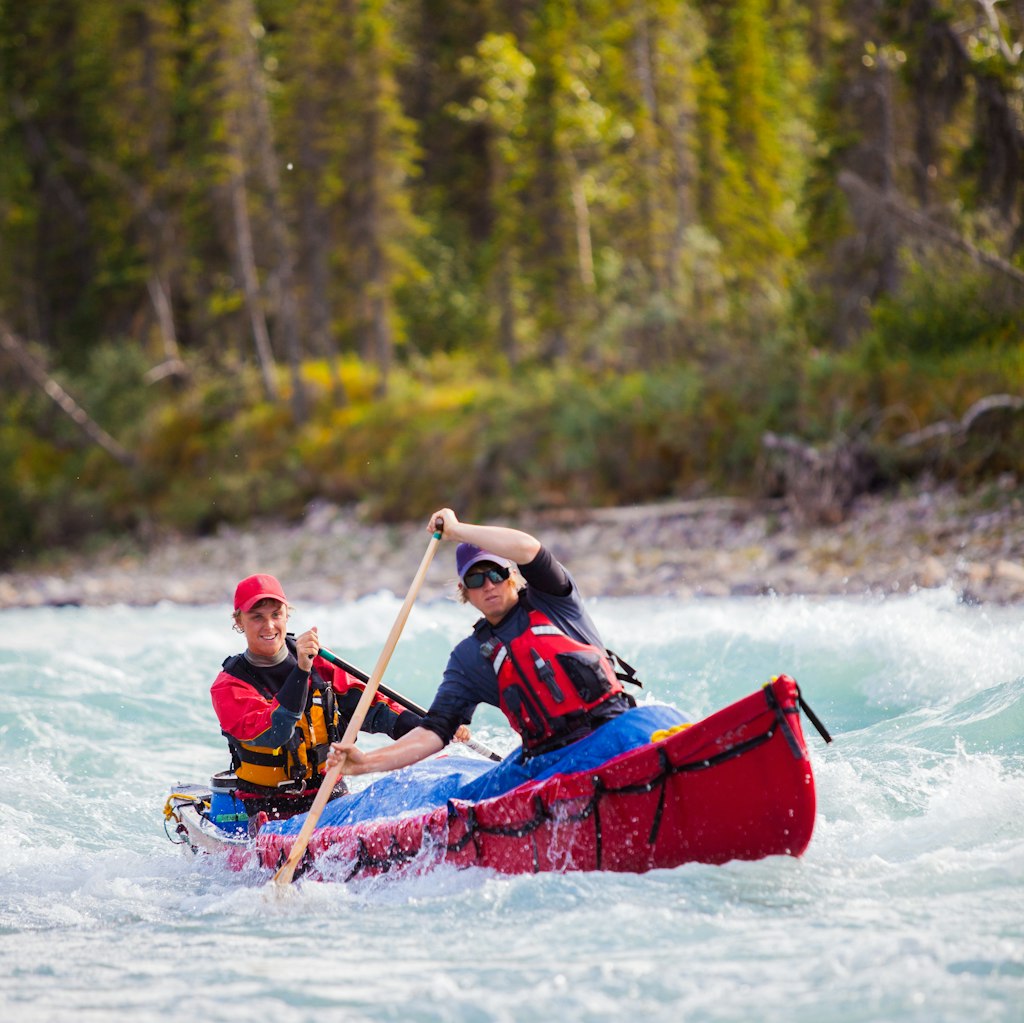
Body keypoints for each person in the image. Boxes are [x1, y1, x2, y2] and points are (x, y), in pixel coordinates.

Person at [326, 508, 682, 802]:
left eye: (495, 573)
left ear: (512, 576)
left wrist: (458, 530)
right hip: (548, 759)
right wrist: (365, 763)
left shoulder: (555, 599)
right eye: (476, 580)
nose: (489, 585)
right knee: (463, 800)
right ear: (465, 592)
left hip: (614, 729)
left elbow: (528, 547)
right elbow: (434, 733)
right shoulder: (469, 659)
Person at [210, 572, 423, 822]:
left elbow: (374, 709)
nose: (269, 626)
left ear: (286, 615)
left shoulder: (320, 662)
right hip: (268, 807)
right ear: (239, 622)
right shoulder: (229, 686)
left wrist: (432, 728)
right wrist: (301, 671)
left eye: (276, 614)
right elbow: (275, 732)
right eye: (257, 617)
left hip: (329, 795)